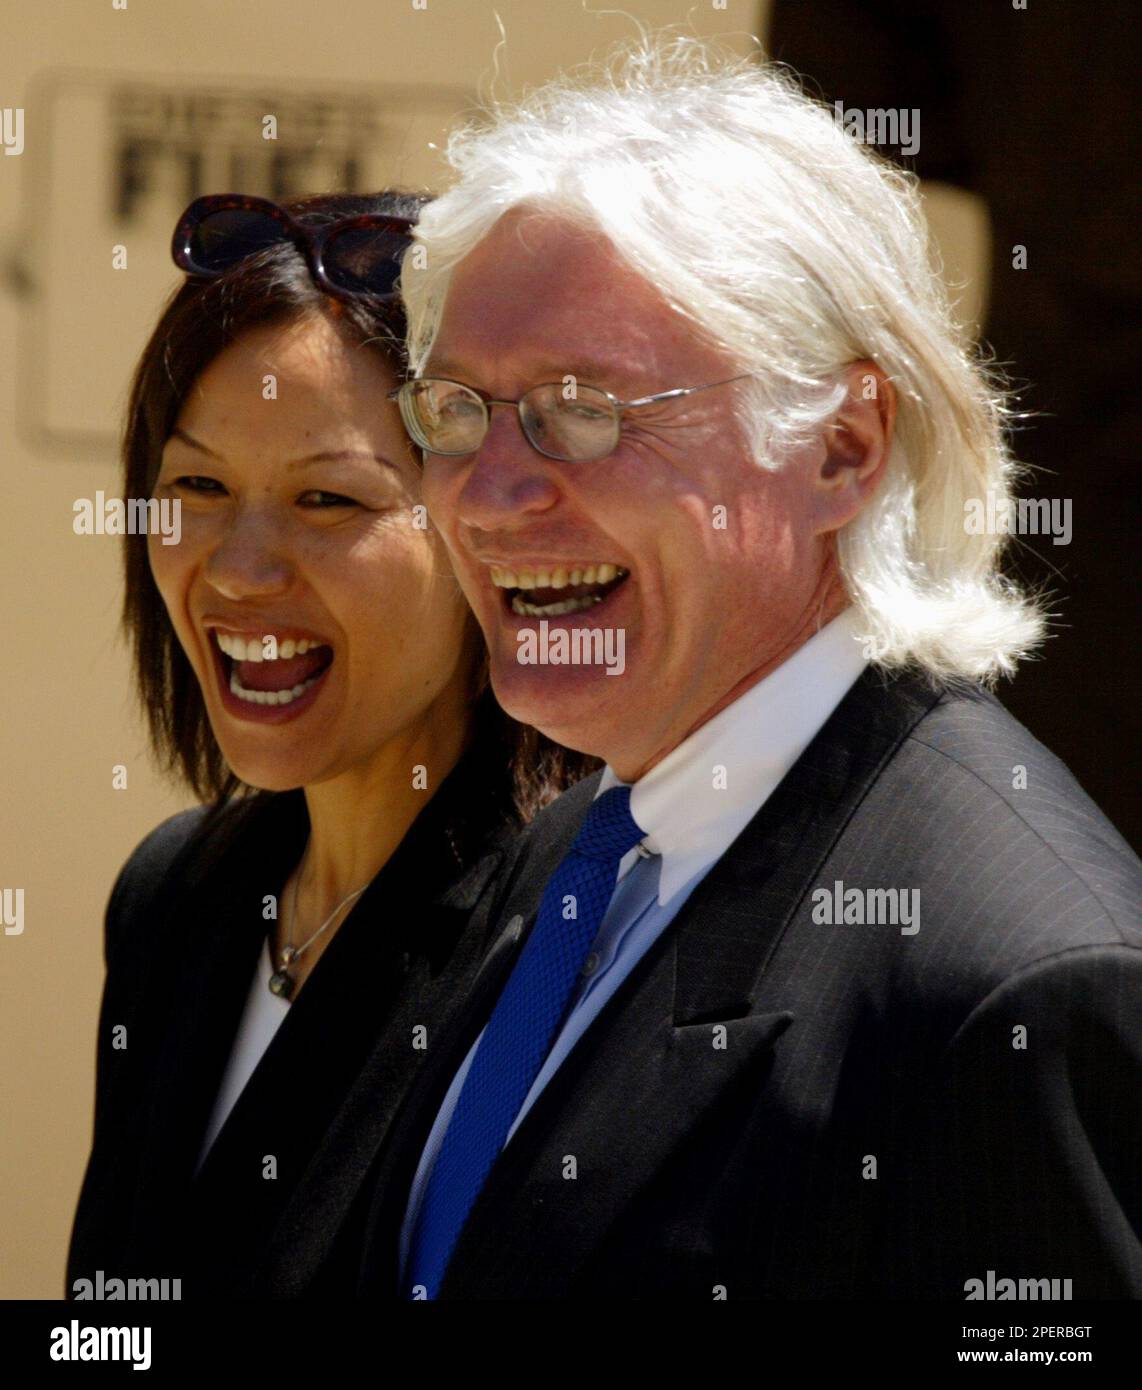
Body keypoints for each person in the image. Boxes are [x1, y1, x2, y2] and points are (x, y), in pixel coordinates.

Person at [351, 39, 1142, 1299]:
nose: (488, 496)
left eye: (582, 408)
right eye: (453, 410)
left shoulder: (1016, 982)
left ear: (839, 448)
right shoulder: (574, 851)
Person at [66, 191, 595, 1300]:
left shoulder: (565, 944)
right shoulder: (174, 898)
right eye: (198, 486)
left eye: (325, 499)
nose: (241, 567)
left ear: (480, 537)